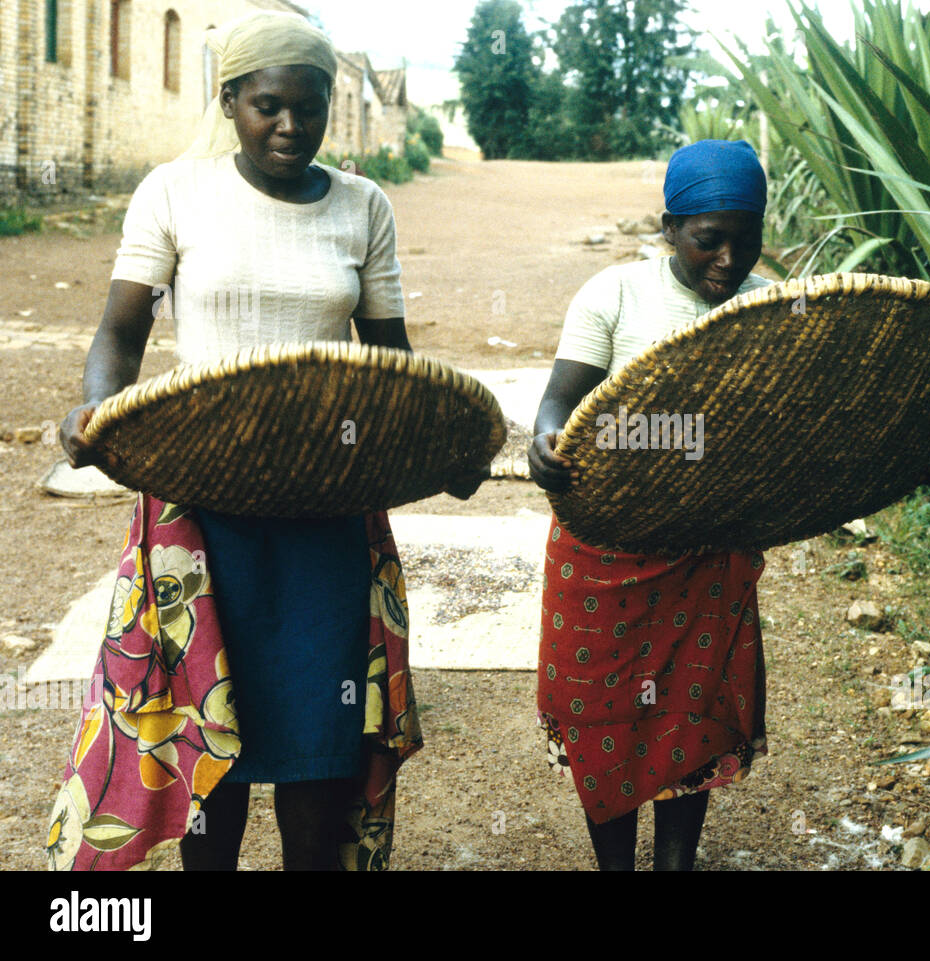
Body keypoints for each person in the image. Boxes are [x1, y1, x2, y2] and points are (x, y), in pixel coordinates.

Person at [46, 11, 483, 872]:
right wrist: (95, 412)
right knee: (212, 746)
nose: (291, 127)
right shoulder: (175, 192)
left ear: (330, 106)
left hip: (326, 509)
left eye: (310, 109)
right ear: (230, 100)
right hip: (201, 507)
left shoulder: (363, 206)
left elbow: (392, 366)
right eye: (268, 107)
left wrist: (439, 449)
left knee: (322, 744)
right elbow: (120, 337)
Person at [529, 140, 772, 871]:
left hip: (706, 550)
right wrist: (547, 442)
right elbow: (557, 404)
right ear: (669, 228)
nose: (729, 259)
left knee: (686, 717)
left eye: (747, 238)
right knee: (604, 710)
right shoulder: (615, 295)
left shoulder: (767, 309)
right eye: (708, 240)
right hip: (604, 546)